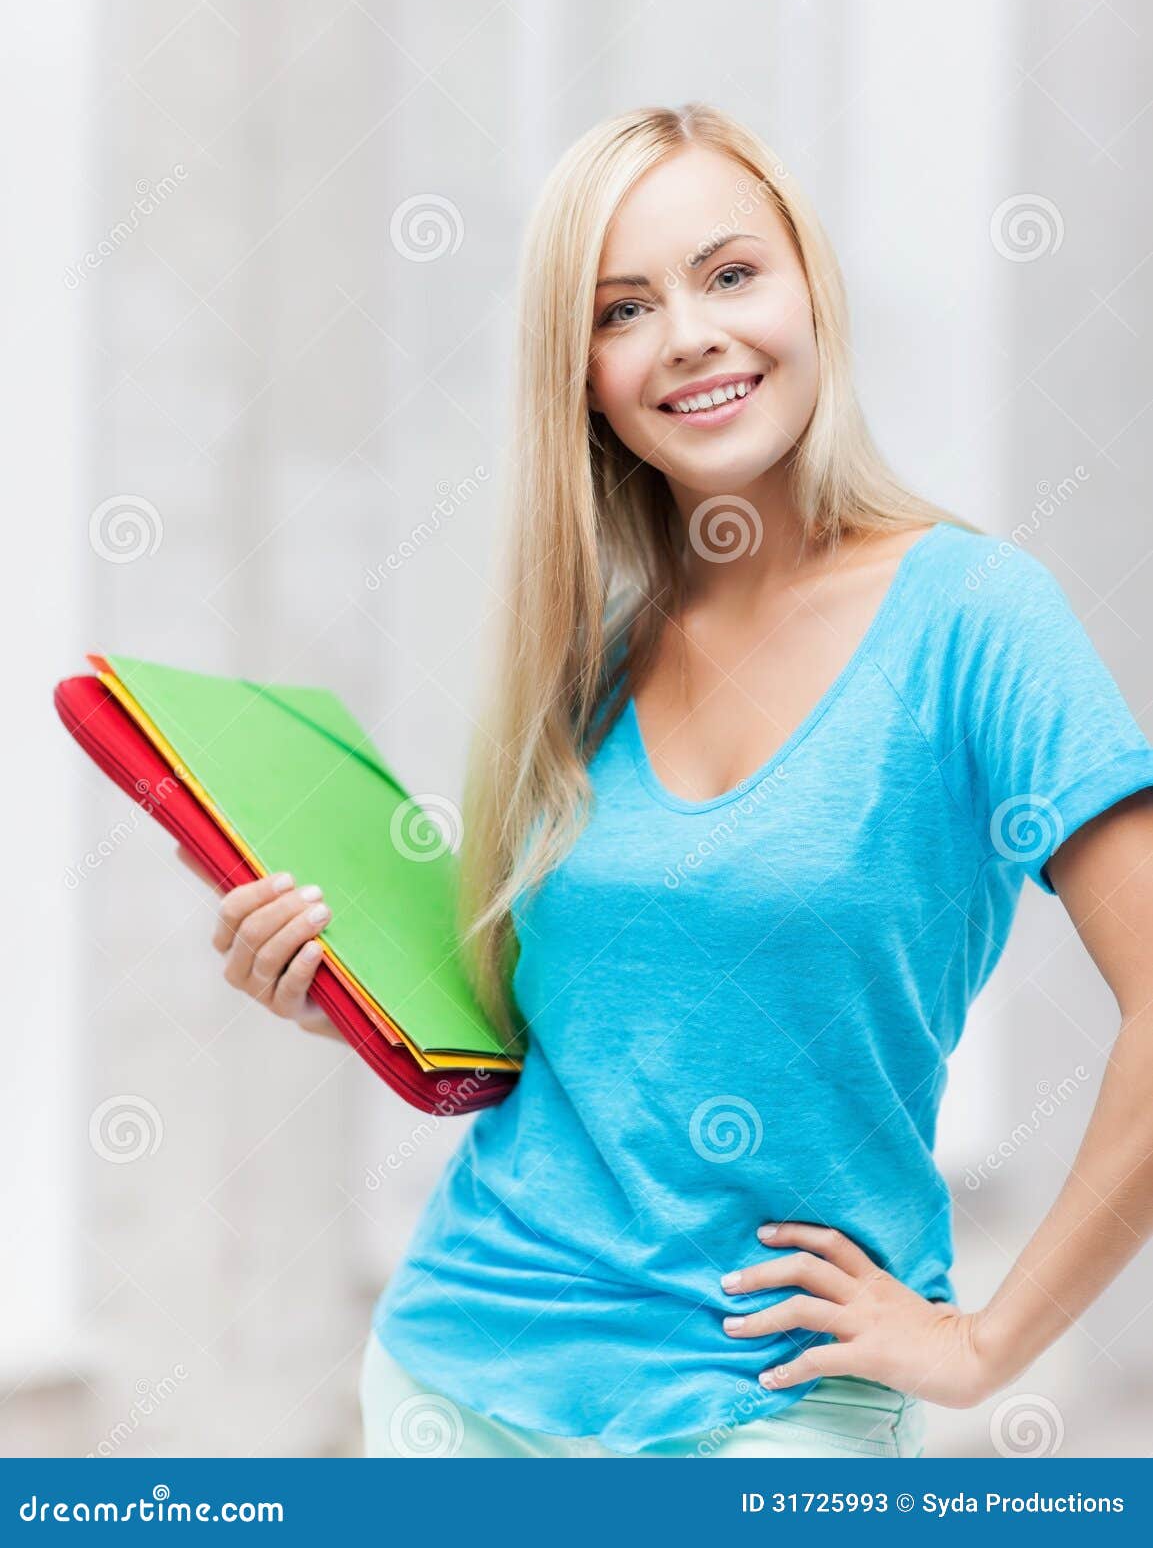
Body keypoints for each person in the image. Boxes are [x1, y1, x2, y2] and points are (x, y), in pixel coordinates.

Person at [194, 104, 1153, 1459]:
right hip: (457, 1371)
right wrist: (338, 993)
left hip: (769, 1401)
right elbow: (570, 1038)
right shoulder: (588, 654)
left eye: (729, 274)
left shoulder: (975, 618)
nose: (689, 334)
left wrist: (985, 1344)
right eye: (624, 308)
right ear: (582, 375)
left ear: (809, 293)